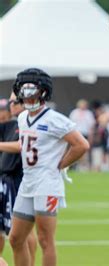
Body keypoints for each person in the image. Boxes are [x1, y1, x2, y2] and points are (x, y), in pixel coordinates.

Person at [0, 68, 90, 266]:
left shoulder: (54, 119)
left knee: (44, 240)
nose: (29, 96)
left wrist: (60, 164)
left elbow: (81, 145)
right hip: (27, 182)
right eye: (25, 91)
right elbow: (26, 146)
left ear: (43, 92)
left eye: (33, 91)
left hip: (47, 184)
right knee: (15, 238)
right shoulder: (23, 118)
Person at [0, 95, 37, 266]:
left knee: (24, 233)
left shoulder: (27, 122)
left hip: (19, 182)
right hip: (8, 181)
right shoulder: (13, 124)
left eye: (13, 102)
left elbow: (22, 146)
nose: (9, 107)